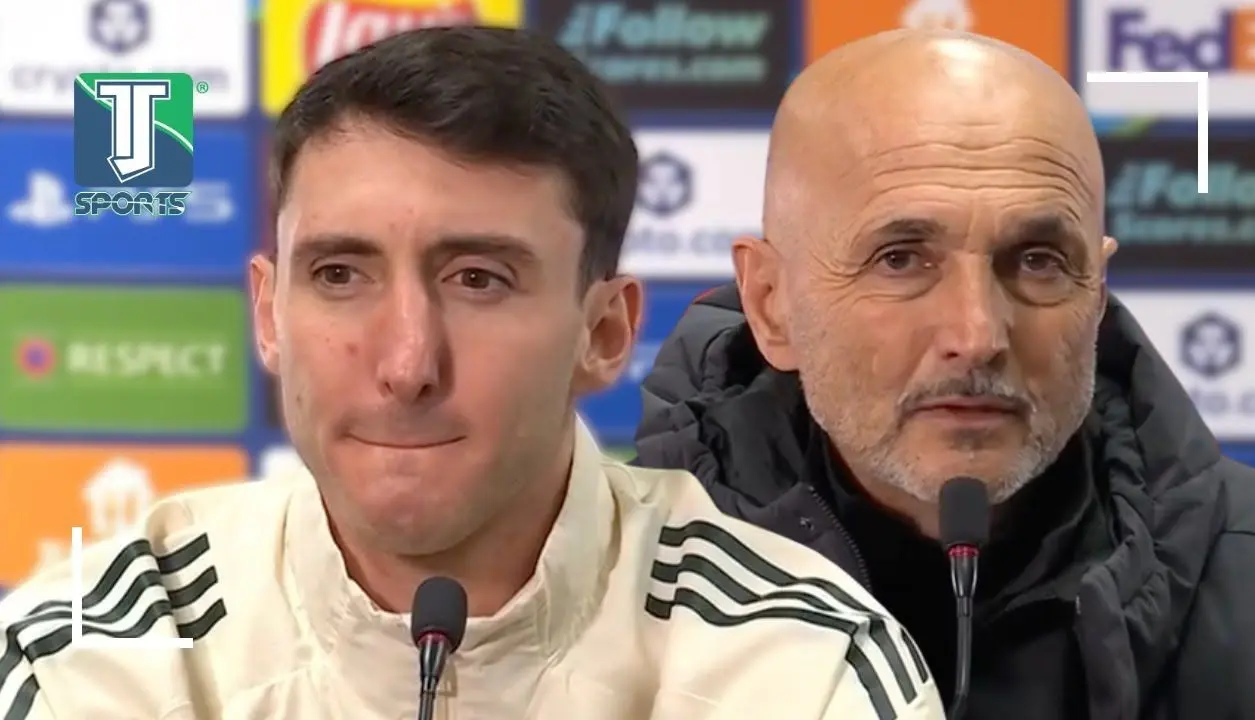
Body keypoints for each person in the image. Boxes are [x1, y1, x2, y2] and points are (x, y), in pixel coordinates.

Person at [0, 27, 943, 720]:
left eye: (478, 279)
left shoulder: (803, 667)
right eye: (341, 276)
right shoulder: (87, 662)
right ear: (269, 313)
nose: (407, 364)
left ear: (604, 332)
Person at [634, 28, 1255, 720]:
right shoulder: (610, 594)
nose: (976, 337)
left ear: (1096, 292)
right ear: (771, 304)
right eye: (900, 260)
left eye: (1037, 261)